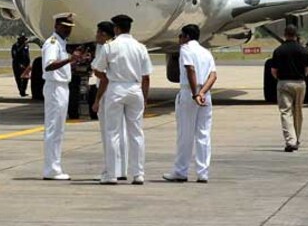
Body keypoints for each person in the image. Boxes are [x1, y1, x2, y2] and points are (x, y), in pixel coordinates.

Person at [92, 13, 152, 185]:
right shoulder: (140, 47)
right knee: (136, 133)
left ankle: (111, 174)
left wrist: (104, 79)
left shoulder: (110, 47)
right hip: (135, 88)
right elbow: (146, 77)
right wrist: (144, 98)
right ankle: (138, 174)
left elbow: (98, 70)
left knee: (113, 133)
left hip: (116, 88)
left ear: (116, 28)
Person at [163, 24, 217, 182]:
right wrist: (202, 93)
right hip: (205, 94)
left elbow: (190, 69)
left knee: (185, 134)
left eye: (181, 36)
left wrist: (195, 94)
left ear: (186, 37)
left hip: (189, 93)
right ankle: (203, 173)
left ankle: (181, 171)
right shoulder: (206, 52)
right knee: (203, 134)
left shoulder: (186, 49)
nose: (179, 39)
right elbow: (213, 76)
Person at [41, 12, 84, 180]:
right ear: (56, 26)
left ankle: (55, 167)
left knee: (58, 129)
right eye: (65, 27)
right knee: (54, 129)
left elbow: (60, 66)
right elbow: (49, 65)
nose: (68, 30)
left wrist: (73, 61)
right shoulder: (52, 43)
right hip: (55, 87)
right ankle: (51, 169)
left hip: (62, 87)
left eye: (70, 27)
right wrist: (70, 59)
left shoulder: (61, 43)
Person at [91, 21, 128, 181]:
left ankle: (110, 170)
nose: (96, 35)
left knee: (109, 133)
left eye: (98, 33)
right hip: (123, 89)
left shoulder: (106, 48)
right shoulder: (121, 46)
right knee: (121, 131)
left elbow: (103, 77)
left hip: (107, 92)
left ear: (104, 34)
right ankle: (121, 169)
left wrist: (97, 99)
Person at [270, 24, 308, 152]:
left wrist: (280, 79)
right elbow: (307, 69)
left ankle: (290, 140)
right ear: (296, 35)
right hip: (300, 83)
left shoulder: (278, 51)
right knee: (298, 111)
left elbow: (274, 71)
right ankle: (296, 138)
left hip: (284, 82)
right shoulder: (303, 50)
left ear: (285, 35)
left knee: (286, 112)